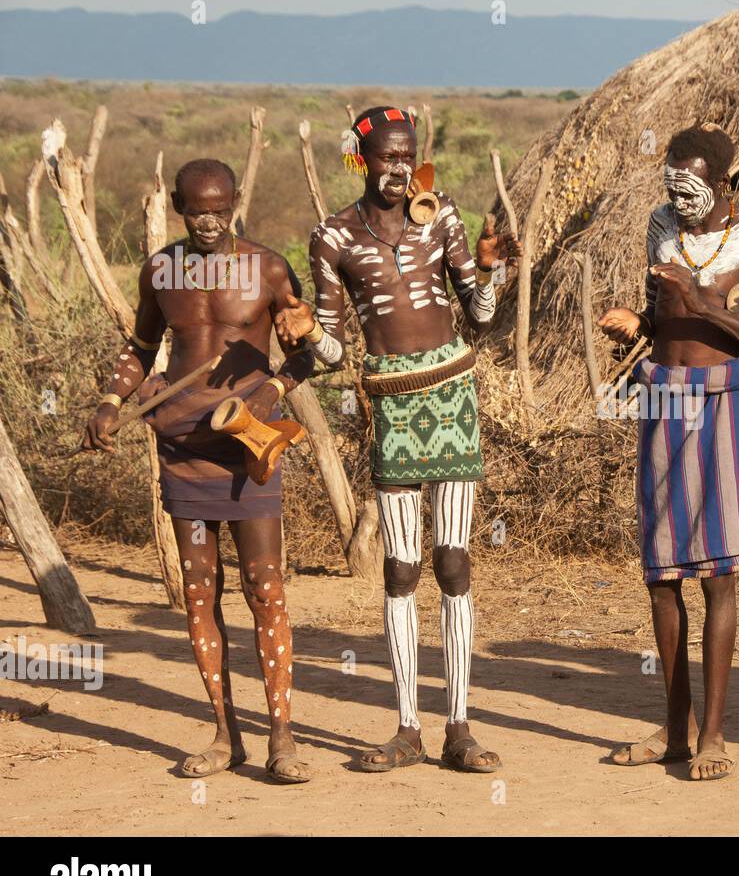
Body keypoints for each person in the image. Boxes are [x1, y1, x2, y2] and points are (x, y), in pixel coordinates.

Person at [277, 106, 517, 773]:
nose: (398, 169)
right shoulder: (332, 238)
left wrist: (492, 271)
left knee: (454, 561)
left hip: (451, 395)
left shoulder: (442, 219)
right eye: (385, 157)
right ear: (360, 159)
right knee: (400, 568)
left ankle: (460, 726)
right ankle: (408, 727)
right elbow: (331, 349)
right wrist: (302, 331)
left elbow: (480, 315)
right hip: (391, 405)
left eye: (406, 156)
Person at [83, 158, 314, 783]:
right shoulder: (161, 269)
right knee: (197, 591)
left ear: (235, 201)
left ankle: (283, 739)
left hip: (247, 448)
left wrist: (269, 395)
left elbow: (308, 354)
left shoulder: (267, 267)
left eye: (219, 209)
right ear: (180, 207)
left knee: (265, 587)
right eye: (196, 210)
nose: (208, 222)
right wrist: (111, 401)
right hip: (182, 445)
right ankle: (223, 735)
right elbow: (140, 346)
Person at [596, 123, 739, 780]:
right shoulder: (661, 224)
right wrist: (645, 320)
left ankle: (713, 734)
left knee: (717, 575)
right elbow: (666, 314)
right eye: (671, 186)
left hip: (723, 404)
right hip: (662, 401)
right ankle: (675, 729)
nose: (678, 199)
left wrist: (697, 301)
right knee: (660, 574)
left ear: (724, 183)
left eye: (691, 187)